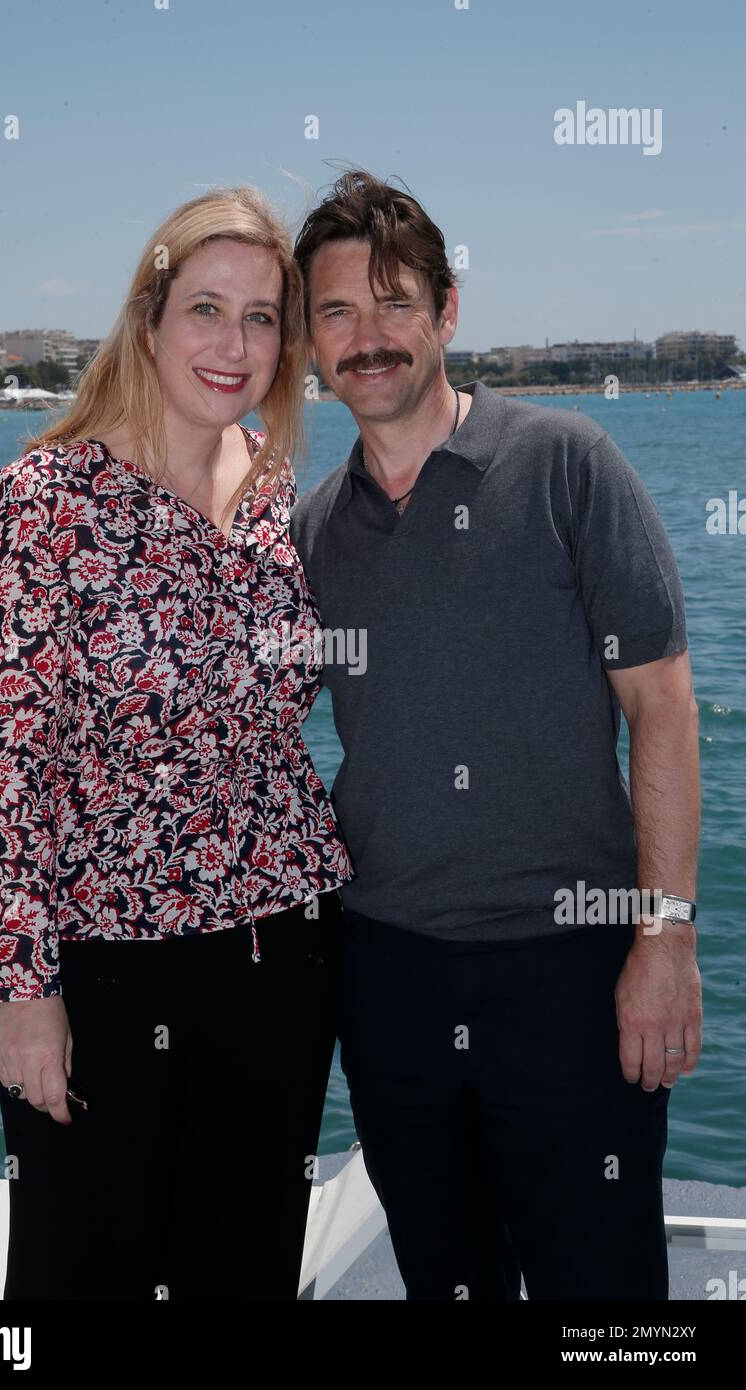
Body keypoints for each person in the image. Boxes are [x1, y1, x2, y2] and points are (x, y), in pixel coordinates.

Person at [287, 169, 702, 1300]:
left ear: (445, 312)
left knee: (605, 1296)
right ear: (311, 344)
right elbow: (236, 728)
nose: (366, 337)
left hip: (571, 967)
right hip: (386, 976)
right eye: (335, 312)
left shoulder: (568, 467)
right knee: (446, 1282)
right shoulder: (310, 532)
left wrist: (662, 942)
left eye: (392, 303)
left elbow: (661, 706)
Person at [0, 185, 353, 1301]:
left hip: (281, 951)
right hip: (102, 969)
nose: (233, 344)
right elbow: (11, 768)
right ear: (148, 318)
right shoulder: (41, 502)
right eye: (205, 308)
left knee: (243, 1269)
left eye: (263, 316)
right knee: (75, 1270)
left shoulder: (281, 498)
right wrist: (23, 989)